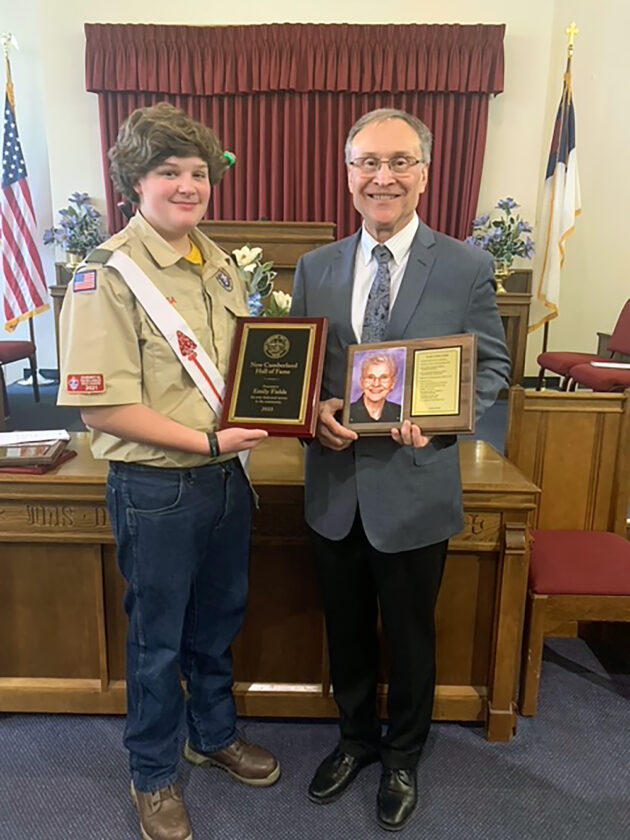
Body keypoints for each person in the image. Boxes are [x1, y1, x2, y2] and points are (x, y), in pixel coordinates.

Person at [58, 103, 279, 840]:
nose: (188, 186)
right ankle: (152, 775)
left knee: (217, 624)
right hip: (157, 488)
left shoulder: (214, 261)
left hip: (225, 482)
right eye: (168, 172)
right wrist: (210, 443)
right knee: (157, 643)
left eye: (197, 173)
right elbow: (103, 411)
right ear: (134, 181)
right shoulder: (107, 276)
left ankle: (211, 737)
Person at [291, 108, 510, 831]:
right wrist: (315, 412)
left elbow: (492, 370)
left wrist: (445, 421)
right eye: (366, 163)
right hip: (335, 489)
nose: (381, 177)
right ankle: (354, 740)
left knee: (411, 636)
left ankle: (405, 755)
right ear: (348, 172)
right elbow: (303, 377)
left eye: (398, 161)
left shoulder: (469, 265)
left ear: (424, 171)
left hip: (416, 489)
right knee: (347, 630)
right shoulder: (317, 266)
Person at [349, 351, 402, 423]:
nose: (376, 384)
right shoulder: (348, 412)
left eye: (384, 378)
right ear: (361, 381)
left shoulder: (400, 413)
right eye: (370, 377)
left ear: (393, 383)